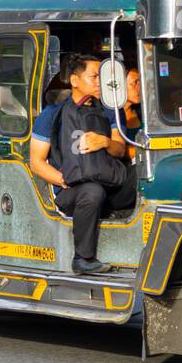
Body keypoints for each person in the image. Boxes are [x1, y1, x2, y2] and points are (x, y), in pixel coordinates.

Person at [29, 54, 134, 275]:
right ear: (75, 81)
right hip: (72, 192)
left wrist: (104, 142)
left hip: (109, 182)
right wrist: (63, 180)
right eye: (94, 76)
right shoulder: (52, 114)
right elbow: (36, 163)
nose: (99, 82)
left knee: (143, 176)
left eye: (101, 76)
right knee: (92, 192)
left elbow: (121, 150)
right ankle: (83, 258)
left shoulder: (109, 110)